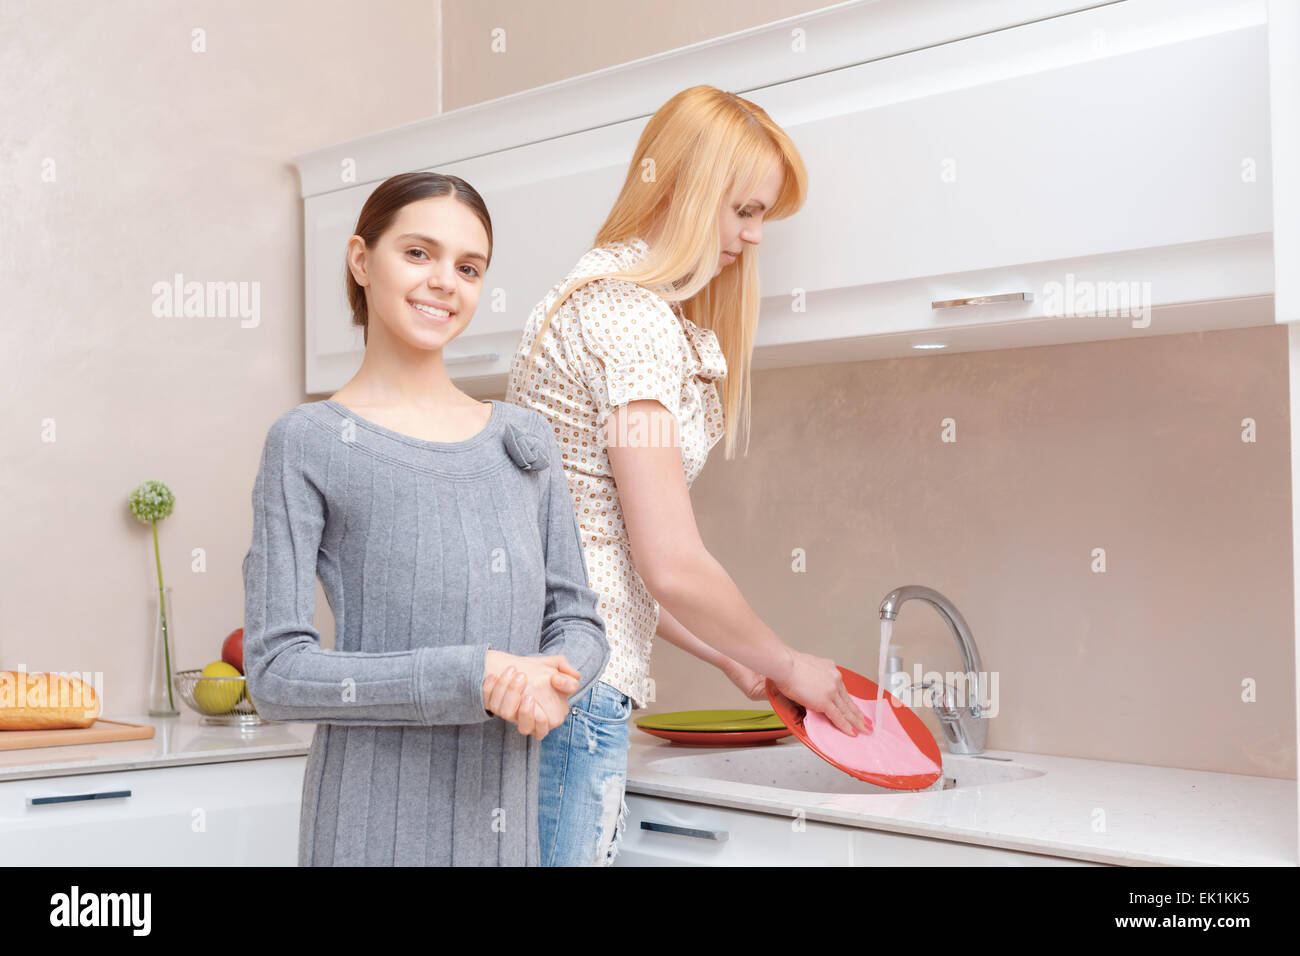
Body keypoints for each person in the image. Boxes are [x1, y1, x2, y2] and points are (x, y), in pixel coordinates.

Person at [505, 85, 869, 867]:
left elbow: (602, 555)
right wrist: (787, 661)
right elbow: (670, 562)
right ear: (682, 188)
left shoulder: (580, 301)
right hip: (582, 695)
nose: (755, 236)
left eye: (762, 215)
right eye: (742, 209)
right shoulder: (633, 322)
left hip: (548, 682)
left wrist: (733, 657)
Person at [241, 171, 609, 866]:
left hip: (504, 839)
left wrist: (554, 680)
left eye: (468, 267)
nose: (445, 281)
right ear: (361, 260)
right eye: (418, 253)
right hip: (367, 833)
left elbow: (578, 621)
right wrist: (472, 676)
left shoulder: (522, 440)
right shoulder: (309, 441)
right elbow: (277, 671)